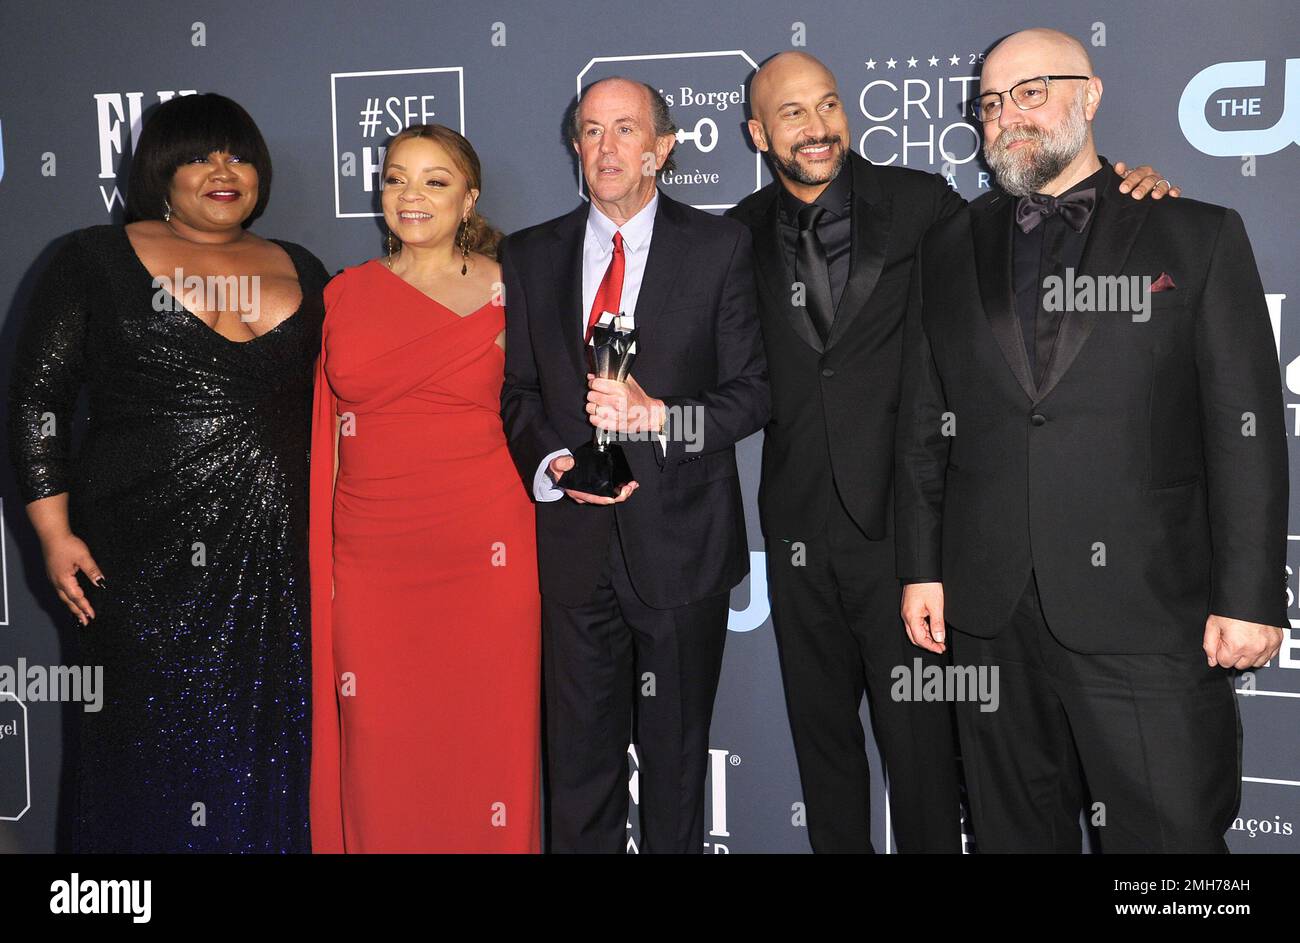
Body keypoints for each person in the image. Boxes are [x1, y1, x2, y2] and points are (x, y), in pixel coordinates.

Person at [728, 50, 1177, 853]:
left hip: (910, 539)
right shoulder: (735, 235)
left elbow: (1039, 221)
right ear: (759, 133)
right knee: (822, 746)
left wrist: (1128, 188)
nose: (819, 126)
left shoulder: (923, 202)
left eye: (828, 104)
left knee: (926, 755)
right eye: (793, 114)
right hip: (796, 535)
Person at [895, 28, 1287, 852]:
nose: (1008, 118)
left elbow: (1244, 427)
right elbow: (925, 422)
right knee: (1010, 834)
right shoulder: (947, 246)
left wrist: (1251, 594)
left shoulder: (1196, 234)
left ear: (1091, 94)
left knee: (1171, 846)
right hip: (990, 607)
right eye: (993, 104)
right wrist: (922, 567)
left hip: (1150, 610)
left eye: (1031, 92)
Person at [6, 93, 327, 852]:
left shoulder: (302, 266)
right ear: (160, 171)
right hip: (139, 558)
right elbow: (36, 401)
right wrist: (53, 532)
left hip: (275, 565)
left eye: (239, 155)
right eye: (198, 155)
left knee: (266, 751)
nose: (224, 170)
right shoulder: (92, 258)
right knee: (142, 752)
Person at [499, 77, 768, 853]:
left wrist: (658, 415)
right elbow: (516, 390)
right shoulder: (530, 253)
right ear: (575, 148)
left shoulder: (719, 247)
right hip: (574, 556)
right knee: (578, 772)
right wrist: (553, 462)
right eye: (590, 131)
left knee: (678, 772)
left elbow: (751, 395)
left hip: (682, 548)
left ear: (662, 148)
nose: (606, 148)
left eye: (624, 130)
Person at [309, 125, 541, 853]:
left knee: (485, 743)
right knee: (380, 750)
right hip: (372, 560)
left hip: (488, 551)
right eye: (395, 178)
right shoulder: (344, 294)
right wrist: (331, 568)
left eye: (435, 181)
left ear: (469, 197)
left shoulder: (515, 288)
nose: (411, 195)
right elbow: (328, 437)